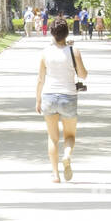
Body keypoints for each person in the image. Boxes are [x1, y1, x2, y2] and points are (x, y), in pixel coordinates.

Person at [36, 16, 87, 183]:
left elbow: (40, 79)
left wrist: (38, 100)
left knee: (52, 137)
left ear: (52, 33)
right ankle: (67, 155)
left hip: (49, 96)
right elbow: (83, 75)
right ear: (67, 33)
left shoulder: (45, 52)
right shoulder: (74, 51)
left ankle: (55, 174)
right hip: (68, 96)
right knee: (70, 135)